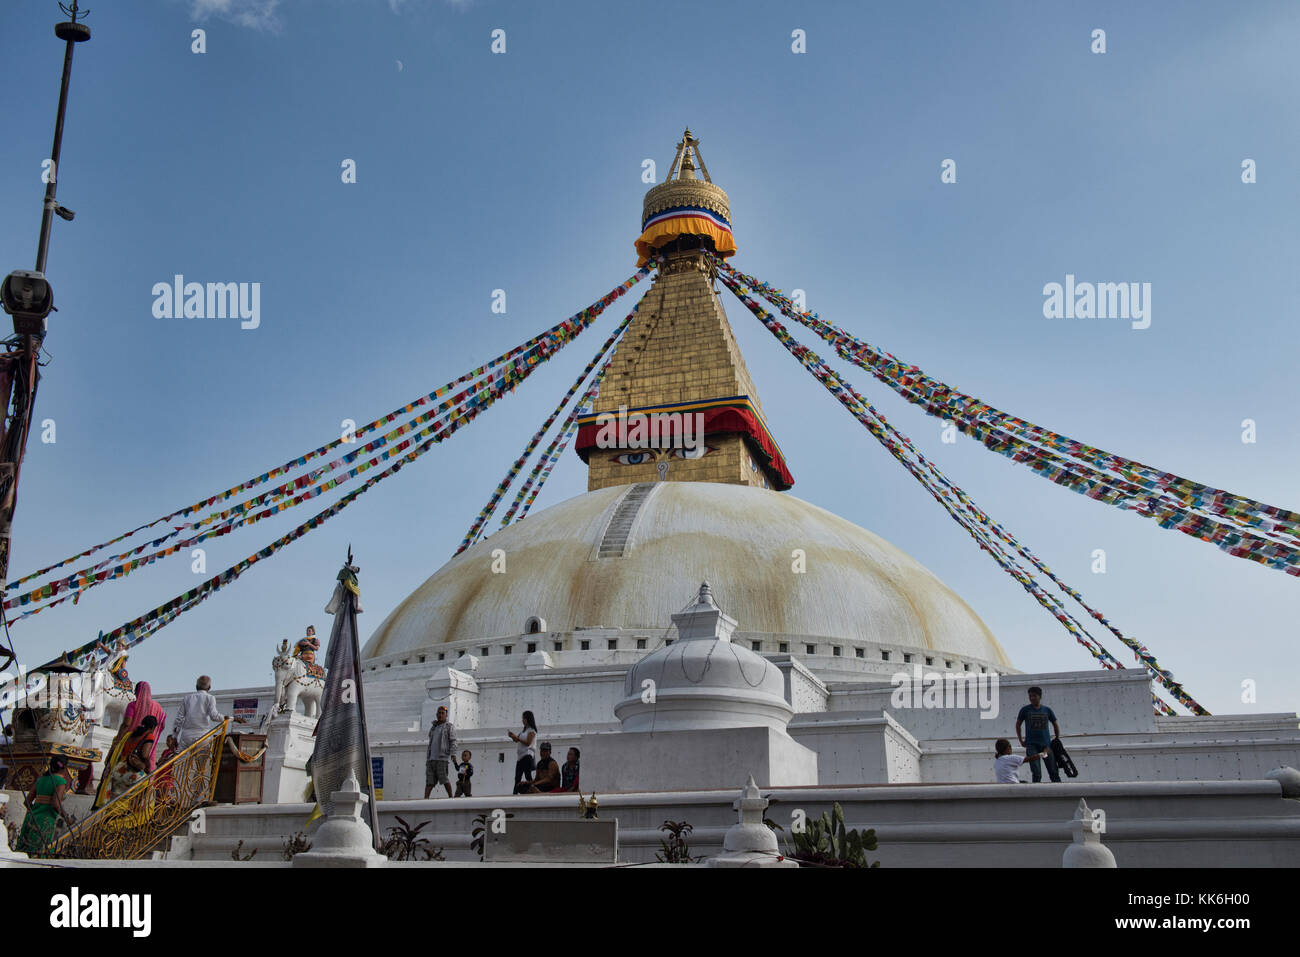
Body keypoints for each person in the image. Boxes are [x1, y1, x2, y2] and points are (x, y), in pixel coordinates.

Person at [93, 680, 167, 809]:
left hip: (130, 743)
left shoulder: (133, 705)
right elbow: (162, 725)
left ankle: (110, 805)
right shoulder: (158, 708)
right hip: (148, 748)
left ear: (137, 692)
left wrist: (118, 740)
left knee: (115, 776)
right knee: (145, 780)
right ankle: (140, 809)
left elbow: (127, 723)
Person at [16, 756, 73, 857]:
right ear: (64, 768)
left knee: (25, 853)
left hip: (32, 818)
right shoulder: (60, 782)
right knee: (40, 853)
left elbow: (27, 802)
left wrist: (36, 810)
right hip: (46, 820)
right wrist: (67, 818)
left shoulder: (40, 780)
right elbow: (56, 804)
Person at [173, 675, 244, 750]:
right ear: (209, 687)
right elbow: (214, 716)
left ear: (196, 686)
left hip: (186, 736)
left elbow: (179, 719)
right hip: (203, 736)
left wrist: (174, 736)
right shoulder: (210, 698)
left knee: (181, 760)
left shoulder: (187, 698)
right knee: (202, 761)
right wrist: (233, 719)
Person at [1016, 686, 1062, 783]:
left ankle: (1059, 791)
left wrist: (1056, 739)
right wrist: (1021, 740)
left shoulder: (1047, 710)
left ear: (1040, 696)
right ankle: (1035, 793)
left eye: (1034, 696)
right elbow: (1018, 724)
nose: (1032, 698)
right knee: (1036, 772)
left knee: (1053, 770)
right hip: (1032, 746)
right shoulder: (1025, 710)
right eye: (1030, 696)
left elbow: (1055, 724)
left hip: (1046, 746)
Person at [425, 705, 457, 799]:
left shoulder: (449, 727)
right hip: (431, 759)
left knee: (444, 779)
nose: (440, 715)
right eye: (439, 713)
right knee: (429, 781)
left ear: (446, 715)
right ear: (436, 714)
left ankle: (451, 797)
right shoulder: (433, 728)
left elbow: (453, 741)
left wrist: (453, 754)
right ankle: (425, 799)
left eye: (443, 713)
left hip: (442, 758)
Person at [509, 710, 537, 793]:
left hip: (527, 755)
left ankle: (532, 790)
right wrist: (512, 736)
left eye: (524, 718)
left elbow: (528, 742)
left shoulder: (531, 731)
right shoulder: (524, 731)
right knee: (517, 777)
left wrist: (517, 738)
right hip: (521, 756)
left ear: (527, 719)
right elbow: (517, 740)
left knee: (527, 776)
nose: (522, 720)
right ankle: (515, 793)